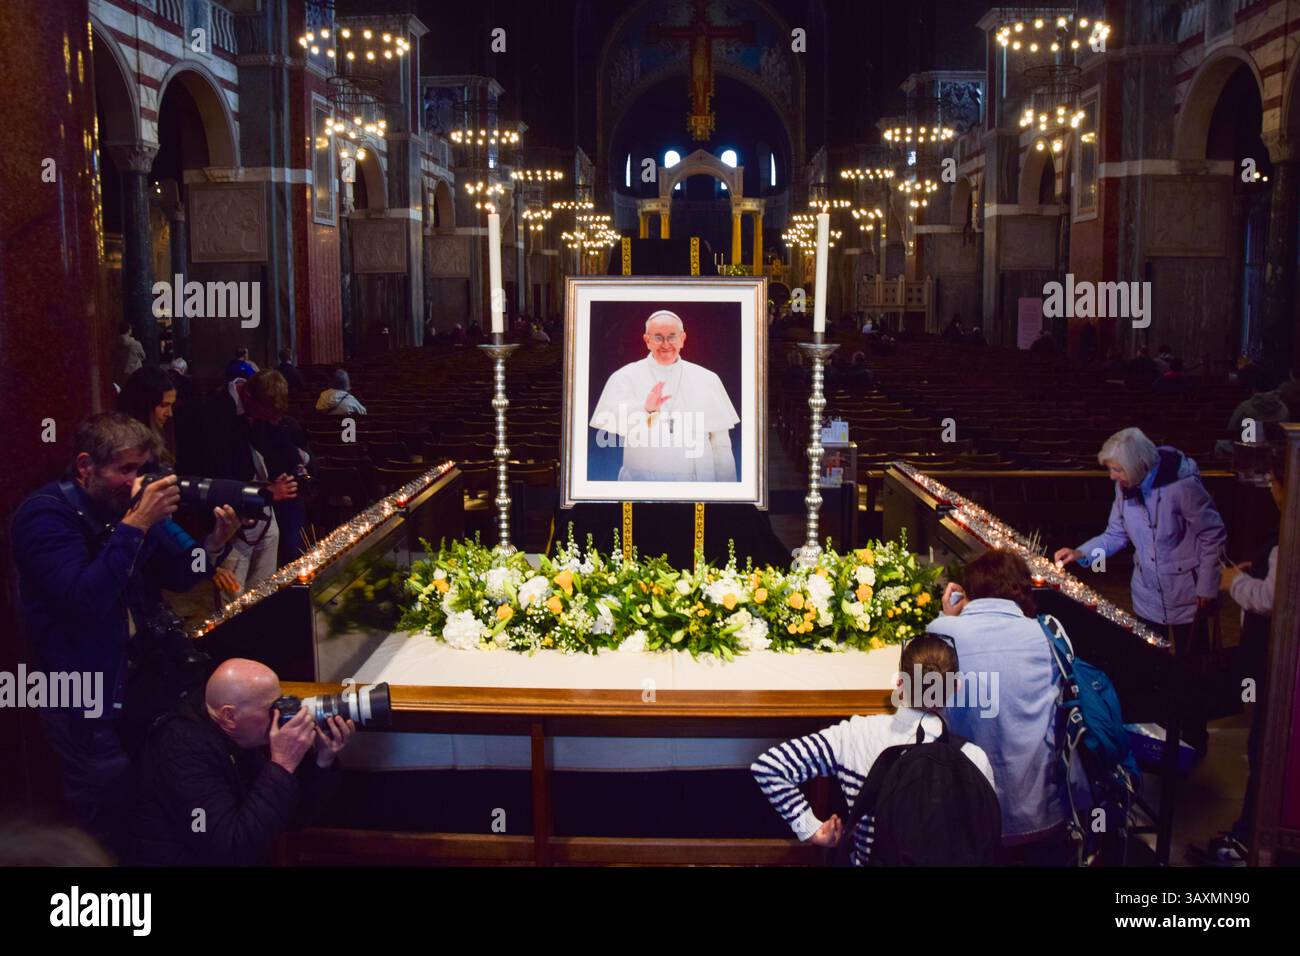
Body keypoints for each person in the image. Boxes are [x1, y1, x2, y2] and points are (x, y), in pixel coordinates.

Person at [10, 413, 240, 854]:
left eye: (143, 470)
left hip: (140, 683)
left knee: (149, 805)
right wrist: (136, 525)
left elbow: (183, 573)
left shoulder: (128, 510)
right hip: (84, 695)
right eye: (125, 470)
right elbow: (83, 600)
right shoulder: (45, 516)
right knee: (106, 811)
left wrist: (213, 543)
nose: (135, 482)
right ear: (84, 467)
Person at [751, 635, 995, 865]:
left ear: (899, 684)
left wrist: (812, 829)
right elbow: (984, 834)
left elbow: (770, 766)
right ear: (956, 687)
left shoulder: (855, 735)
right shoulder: (974, 758)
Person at [1054, 427, 1226, 751]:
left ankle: (1193, 735)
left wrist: (1207, 587)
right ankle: (1159, 732)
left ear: (1137, 466)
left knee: (1193, 667)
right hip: (1147, 590)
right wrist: (1081, 553)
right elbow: (1115, 535)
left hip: (1188, 592)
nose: (1112, 477)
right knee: (1150, 665)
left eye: (1116, 469)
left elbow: (1212, 534)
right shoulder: (1125, 489)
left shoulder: (1183, 487)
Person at [130, 658, 353, 866]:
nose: (279, 715)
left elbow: (291, 818)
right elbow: (229, 851)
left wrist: (322, 761)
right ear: (229, 715)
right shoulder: (182, 748)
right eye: (271, 708)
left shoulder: (240, 735)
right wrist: (282, 766)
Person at [927, 550, 1073, 863]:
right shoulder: (1048, 634)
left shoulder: (944, 633)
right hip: (1041, 811)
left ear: (969, 592)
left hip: (968, 816)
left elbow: (919, 700)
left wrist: (945, 618)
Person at [1201, 455, 1286, 865]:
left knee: (1266, 744)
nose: (1270, 488)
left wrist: (1236, 584)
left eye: (1273, 481)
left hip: (1277, 658)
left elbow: (1273, 600)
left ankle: (1249, 838)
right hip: (1275, 657)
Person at [589, 309, 740, 482]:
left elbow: (721, 445)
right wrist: (645, 409)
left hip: (695, 483)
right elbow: (609, 423)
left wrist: (727, 495)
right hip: (642, 482)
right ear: (647, 340)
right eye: (658, 337)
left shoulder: (707, 378)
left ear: (682, 339)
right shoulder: (625, 377)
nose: (666, 344)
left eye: (672, 336)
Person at [201, 374, 300, 604]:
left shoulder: (261, 413)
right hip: (232, 521)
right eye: (265, 415)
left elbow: (274, 445)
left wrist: (295, 466)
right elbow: (218, 473)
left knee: (264, 594)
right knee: (233, 602)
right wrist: (265, 492)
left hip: (264, 514)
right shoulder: (214, 413)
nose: (268, 420)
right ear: (248, 397)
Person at [244, 370, 312, 565]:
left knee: (292, 549)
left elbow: (307, 456)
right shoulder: (252, 428)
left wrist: (303, 461)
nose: (274, 417)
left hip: (291, 494)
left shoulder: (288, 425)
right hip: (265, 493)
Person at [1215, 363, 1288, 455]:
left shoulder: (1244, 408)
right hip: (1273, 452)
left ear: (1253, 388)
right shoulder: (1283, 409)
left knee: (1220, 444)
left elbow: (1231, 431)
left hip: (1247, 452)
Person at [117, 366, 178, 465]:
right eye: (163, 406)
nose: (169, 414)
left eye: (171, 405)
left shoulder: (157, 436)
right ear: (143, 405)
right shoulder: (127, 445)